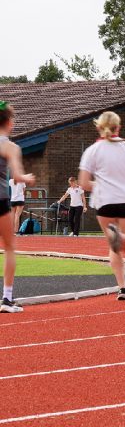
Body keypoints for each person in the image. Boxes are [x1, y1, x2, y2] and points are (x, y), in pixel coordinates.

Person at [78, 111, 125, 301]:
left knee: (114, 246)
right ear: (119, 127)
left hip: (104, 202)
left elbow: (84, 183)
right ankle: (120, 236)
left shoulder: (92, 150)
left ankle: (122, 288)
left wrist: (101, 185)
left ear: (98, 128)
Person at [0, 102, 36, 313]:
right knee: (9, 247)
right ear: (9, 122)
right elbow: (17, 175)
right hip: (1, 200)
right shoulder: (11, 146)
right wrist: (28, 178)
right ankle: (6, 298)